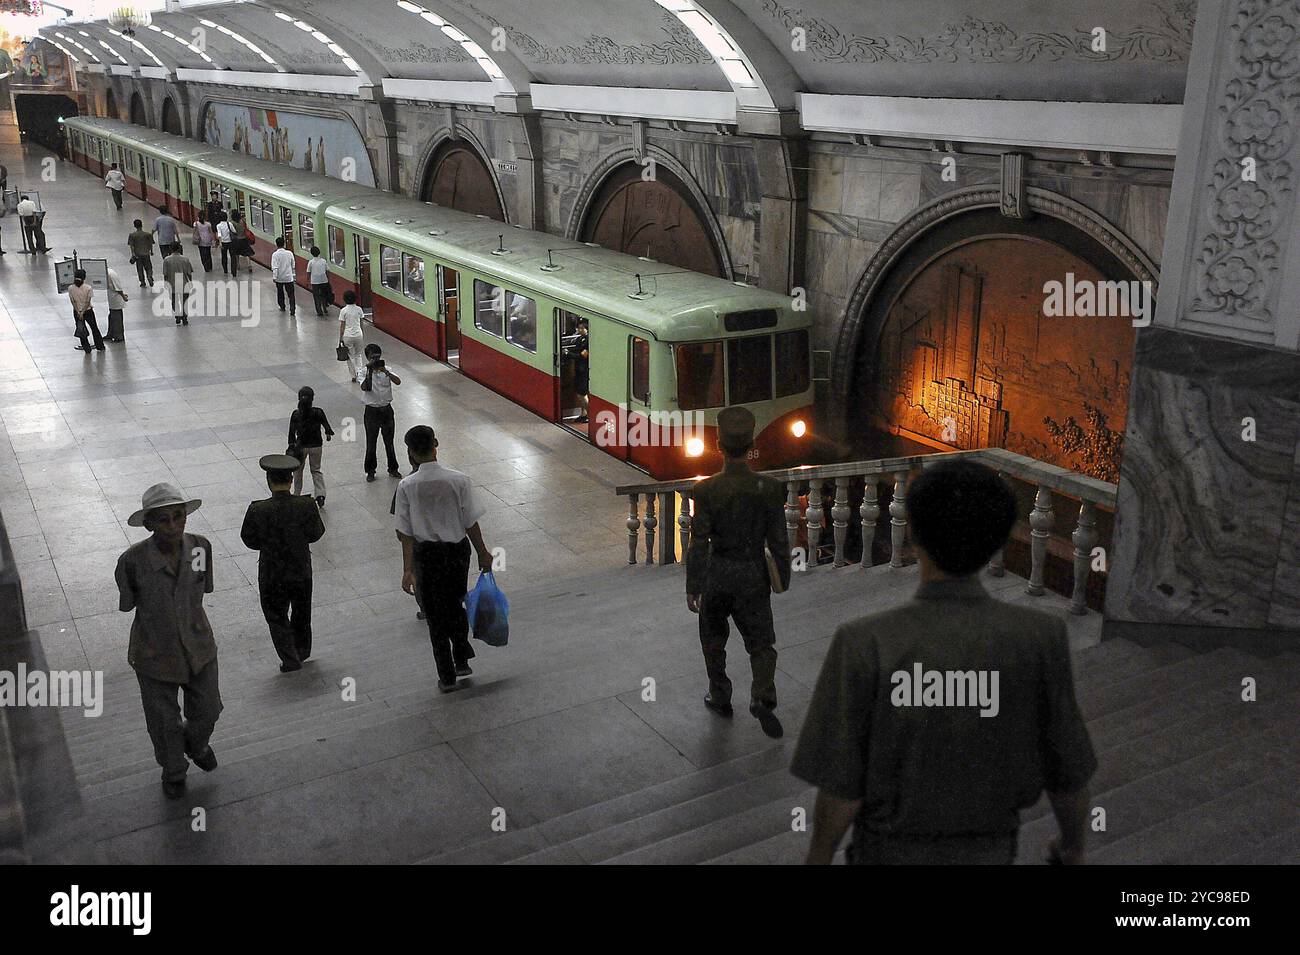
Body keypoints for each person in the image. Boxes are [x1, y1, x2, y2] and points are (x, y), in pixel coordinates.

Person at [791, 461, 1098, 865]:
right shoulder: (1040, 638)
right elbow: (1067, 771)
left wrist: (818, 856)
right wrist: (1073, 845)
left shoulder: (865, 642)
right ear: (998, 540)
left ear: (913, 536)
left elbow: (842, 783)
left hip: (887, 853)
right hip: (989, 852)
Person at [685, 406, 790, 739]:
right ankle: (763, 696)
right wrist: (782, 577)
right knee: (761, 643)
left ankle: (720, 695)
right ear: (751, 442)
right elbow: (779, 540)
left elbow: (698, 542)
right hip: (752, 575)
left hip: (718, 574)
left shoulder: (706, 490)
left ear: (718, 443)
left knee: (713, 640)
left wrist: (694, 585)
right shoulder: (770, 488)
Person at [114, 483, 222, 799]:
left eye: (179, 517)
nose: (173, 526)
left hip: (199, 645)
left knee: (209, 708)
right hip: (153, 652)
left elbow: (202, 586)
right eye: (164, 520)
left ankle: (196, 744)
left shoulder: (201, 548)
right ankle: (173, 770)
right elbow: (129, 601)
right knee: (163, 721)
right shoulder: (132, 562)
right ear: (149, 524)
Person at [394, 425, 495, 693]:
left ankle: (447, 676)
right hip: (457, 552)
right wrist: (483, 552)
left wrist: (407, 569)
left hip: (426, 556)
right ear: (435, 444)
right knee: (455, 602)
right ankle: (461, 657)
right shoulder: (459, 479)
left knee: (435, 615)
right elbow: (470, 521)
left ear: (410, 454)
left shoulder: (406, 486)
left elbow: (404, 532)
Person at [240, 454, 326, 673]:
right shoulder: (306, 504)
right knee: (301, 612)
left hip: (271, 572)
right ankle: (302, 651)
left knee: (275, 615)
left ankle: (289, 657)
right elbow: (316, 533)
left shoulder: (257, 509)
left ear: (269, 482)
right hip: (301, 569)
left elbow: (248, 539)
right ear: (290, 481)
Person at [360, 344, 402, 482]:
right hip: (371, 412)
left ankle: (393, 468)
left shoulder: (387, 370)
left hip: (386, 411)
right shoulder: (362, 371)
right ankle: (370, 470)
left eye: (378, 357)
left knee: (389, 442)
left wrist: (386, 372)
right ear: (367, 357)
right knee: (371, 443)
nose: (376, 359)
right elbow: (365, 387)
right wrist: (369, 371)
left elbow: (398, 381)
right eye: (373, 357)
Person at [287, 386, 333, 508]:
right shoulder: (318, 412)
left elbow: (291, 432)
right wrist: (328, 434)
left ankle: (296, 494)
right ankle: (320, 495)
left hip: (301, 447)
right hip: (316, 445)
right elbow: (327, 426)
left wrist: (291, 445)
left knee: (298, 472)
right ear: (312, 398)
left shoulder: (296, 414)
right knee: (316, 470)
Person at [67, 268, 105, 353]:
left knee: (81, 329)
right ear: (84, 277)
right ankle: (100, 345)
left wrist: (78, 311)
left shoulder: (71, 288)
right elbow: (88, 301)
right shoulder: (88, 288)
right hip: (88, 311)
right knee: (94, 328)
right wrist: (83, 311)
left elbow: (73, 301)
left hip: (77, 311)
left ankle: (86, 348)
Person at [163, 243, 193, 326]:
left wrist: (165, 283)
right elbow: (189, 273)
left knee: (174, 302)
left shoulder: (166, 260)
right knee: (184, 302)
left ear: (170, 249)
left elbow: (165, 274)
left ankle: (177, 315)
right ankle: (184, 317)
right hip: (184, 283)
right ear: (179, 249)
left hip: (172, 284)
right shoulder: (185, 259)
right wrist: (190, 282)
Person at [338, 290, 365, 381]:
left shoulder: (343, 311)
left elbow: (342, 326)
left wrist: (340, 339)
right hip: (358, 335)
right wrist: (361, 334)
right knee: (358, 355)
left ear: (344, 299)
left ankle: (353, 376)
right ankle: (360, 372)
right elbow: (361, 323)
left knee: (350, 356)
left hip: (347, 336)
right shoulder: (359, 309)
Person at [271, 236, 296, 315]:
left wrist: (274, 277)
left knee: (280, 292)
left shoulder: (275, 255)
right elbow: (293, 265)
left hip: (279, 277)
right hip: (289, 277)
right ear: (284, 244)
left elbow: (275, 267)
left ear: (276, 244)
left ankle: (282, 306)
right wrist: (291, 271)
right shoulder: (289, 253)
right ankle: (292, 309)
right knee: (291, 294)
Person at [128, 219, 155, 287]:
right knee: (149, 267)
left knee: (140, 269)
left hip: (138, 255)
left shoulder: (132, 235)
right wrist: (151, 251)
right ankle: (149, 276)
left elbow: (131, 246)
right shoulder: (147, 234)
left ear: (134, 226)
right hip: (146, 253)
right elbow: (150, 243)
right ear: (142, 225)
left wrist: (133, 254)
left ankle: (142, 282)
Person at [104, 265, 128, 342]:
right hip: (112, 299)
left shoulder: (111, 274)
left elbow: (118, 288)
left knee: (116, 318)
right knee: (111, 317)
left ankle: (118, 336)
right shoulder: (107, 274)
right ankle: (110, 334)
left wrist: (123, 296)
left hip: (116, 299)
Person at [307, 245, 331, 316]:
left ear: (311, 253)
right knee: (324, 295)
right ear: (319, 253)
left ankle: (319, 311)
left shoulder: (311, 262)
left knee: (316, 296)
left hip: (315, 282)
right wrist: (328, 278)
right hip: (324, 281)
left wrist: (308, 281)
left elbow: (308, 272)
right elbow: (327, 271)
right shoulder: (323, 261)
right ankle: (325, 308)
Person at [573, 319, 589, 423]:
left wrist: (568, 354)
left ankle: (589, 412)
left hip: (585, 370)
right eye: (579, 328)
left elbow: (583, 355)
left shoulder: (588, 340)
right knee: (579, 393)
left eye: (582, 328)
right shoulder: (579, 339)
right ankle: (583, 414)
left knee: (582, 393)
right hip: (578, 369)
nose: (580, 330)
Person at [215, 210, 234, 275]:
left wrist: (220, 243)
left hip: (223, 242)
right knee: (232, 256)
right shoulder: (230, 224)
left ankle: (225, 270)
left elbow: (219, 234)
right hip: (231, 242)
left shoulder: (218, 225)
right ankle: (233, 271)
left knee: (224, 256)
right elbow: (234, 231)